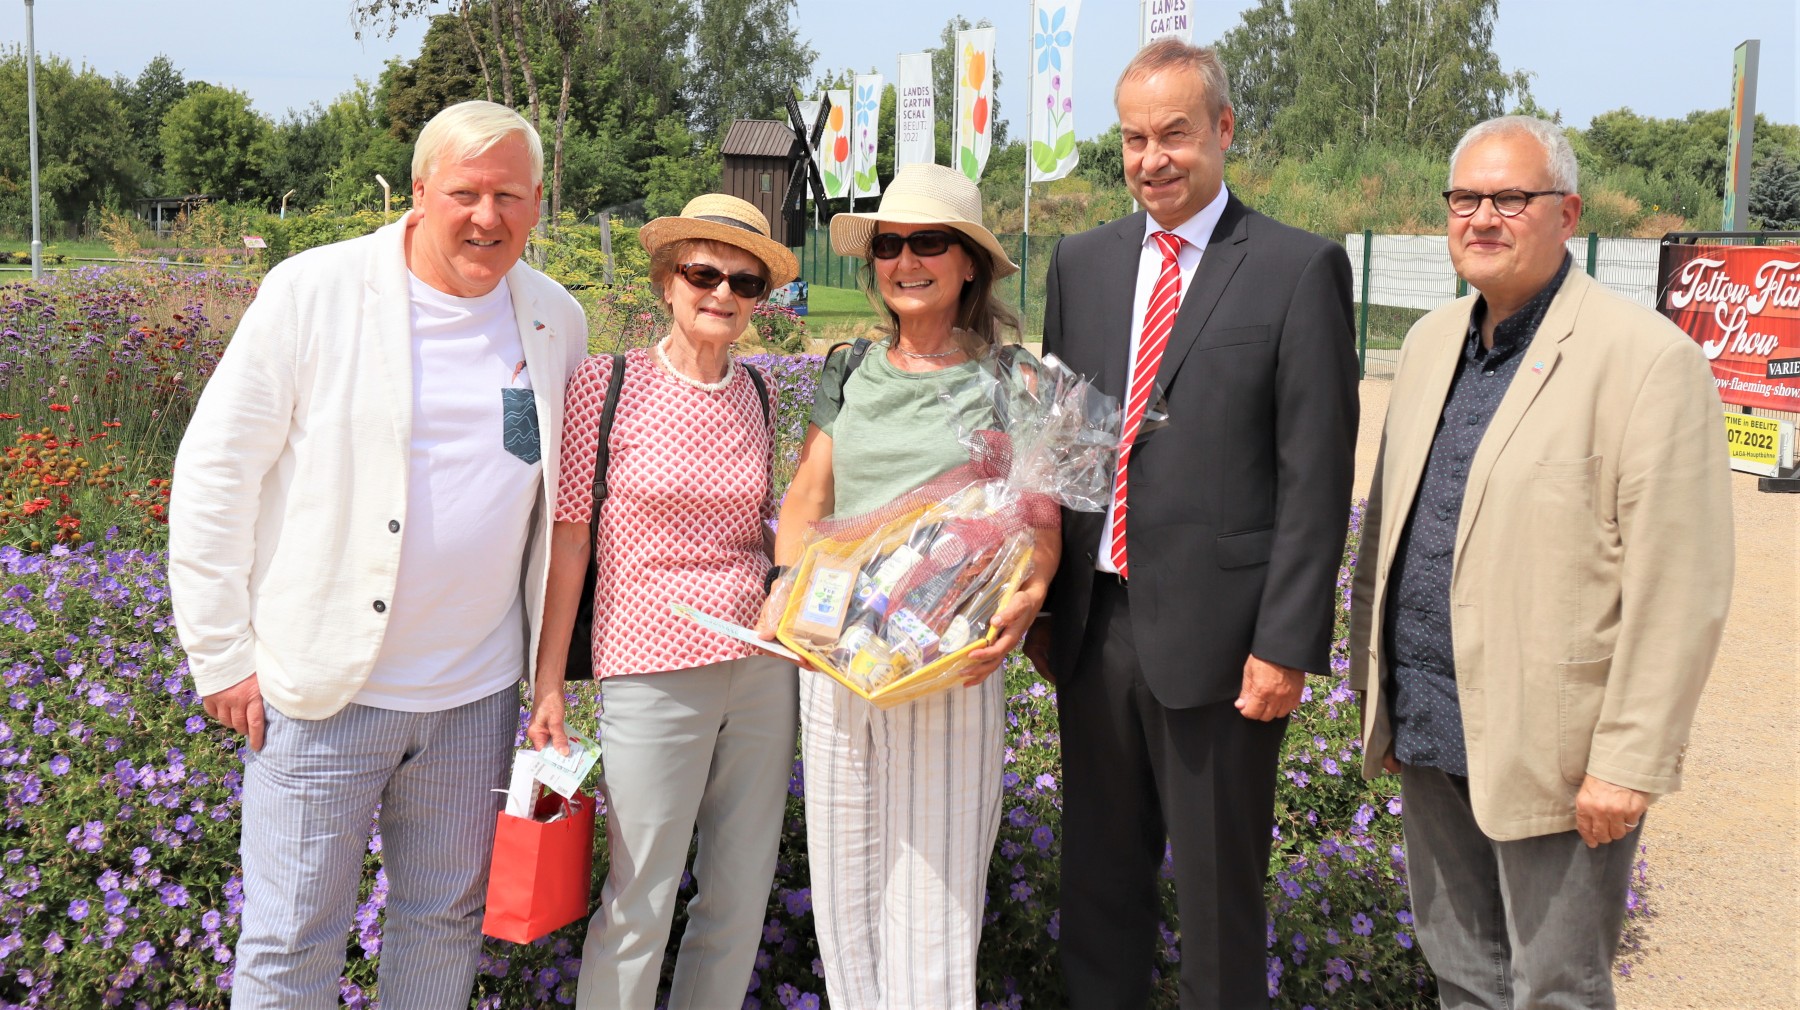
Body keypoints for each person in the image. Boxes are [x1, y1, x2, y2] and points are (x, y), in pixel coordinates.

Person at [169, 101, 587, 1009]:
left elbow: (560, 505)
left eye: (509, 195)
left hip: (474, 695)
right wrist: (221, 653)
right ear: (419, 191)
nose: (487, 217)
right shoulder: (312, 291)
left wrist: (546, 674)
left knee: (440, 922)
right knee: (289, 942)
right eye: (466, 193)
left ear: (539, 203)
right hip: (323, 689)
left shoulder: (556, 318)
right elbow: (214, 473)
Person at [1348, 115, 1734, 1009]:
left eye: (1508, 198)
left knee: (1556, 987)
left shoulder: (1646, 361)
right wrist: (1381, 694)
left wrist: (1629, 763)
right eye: (1465, 199)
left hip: (1556, 754)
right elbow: (1389, 523)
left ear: (1567, 213)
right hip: (1432, 724)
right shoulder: (1430, 344)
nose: (1482, 217)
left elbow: (1683, 584)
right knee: (1461, 974)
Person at [1026, 39, 1359, 1007]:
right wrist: (1046, 612)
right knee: (1096, 887)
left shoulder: (1298, 269)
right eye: (1133, 138)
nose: (1152, 158)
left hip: (1225, 649)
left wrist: (1285, 642)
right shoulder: (1082, 265)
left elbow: (1315, 473)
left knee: (1218, 901)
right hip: (1096, 632)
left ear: (1223, 129)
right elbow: (1065, 453)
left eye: (1174, 133)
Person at [762, 162, 1060, 1010]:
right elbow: (809, 501)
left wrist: (1027, 596)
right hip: (835, 664)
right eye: (889, 245)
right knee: (845, 889)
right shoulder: (849, 368)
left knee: (934, 897)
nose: (905, 260)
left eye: (928, 242)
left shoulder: (1013, 381)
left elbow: (1041, 523)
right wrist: (790, 594)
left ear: (970, 261)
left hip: (942, 670)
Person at [525, 194, 798, 1010]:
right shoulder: (605, 387)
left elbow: (762, 531)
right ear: (666, 280)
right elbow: (571, 542)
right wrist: (548, 682)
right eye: (703, 272)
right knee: (639, 898)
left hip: (757, 668)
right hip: (648, 664)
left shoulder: (756, 391)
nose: (722, 292)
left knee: (739, 894)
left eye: (744, 282)